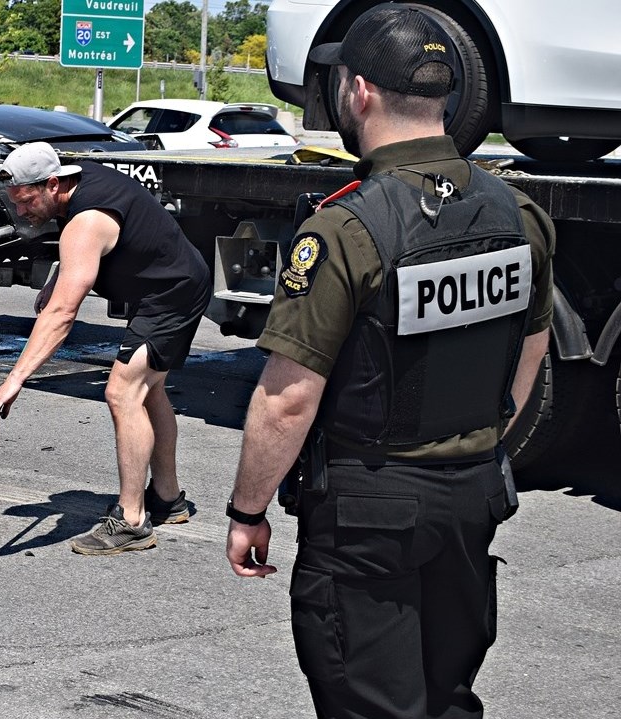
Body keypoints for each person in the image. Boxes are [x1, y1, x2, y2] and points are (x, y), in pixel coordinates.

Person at [223, 5, 555, 718]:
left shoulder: (347, 227)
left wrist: (247, 508)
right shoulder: (518, 213)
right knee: (445, 698)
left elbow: (286, 398)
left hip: (368, 510)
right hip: (472, 497)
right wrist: (478, 443)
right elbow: (531, 352)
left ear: (360, 93)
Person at [0, 141, 212, 556]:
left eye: (27, 200)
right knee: (148, 389)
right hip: (171, 283)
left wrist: (14, 380)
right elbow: (82, 256)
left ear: (53, 183)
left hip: (171, 294)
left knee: (122, 392)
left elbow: (61, 316)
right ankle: (167, 497)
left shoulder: (86, 221)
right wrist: (60, 271)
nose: (21, 212)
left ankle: (130, 522)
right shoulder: (79, 178)